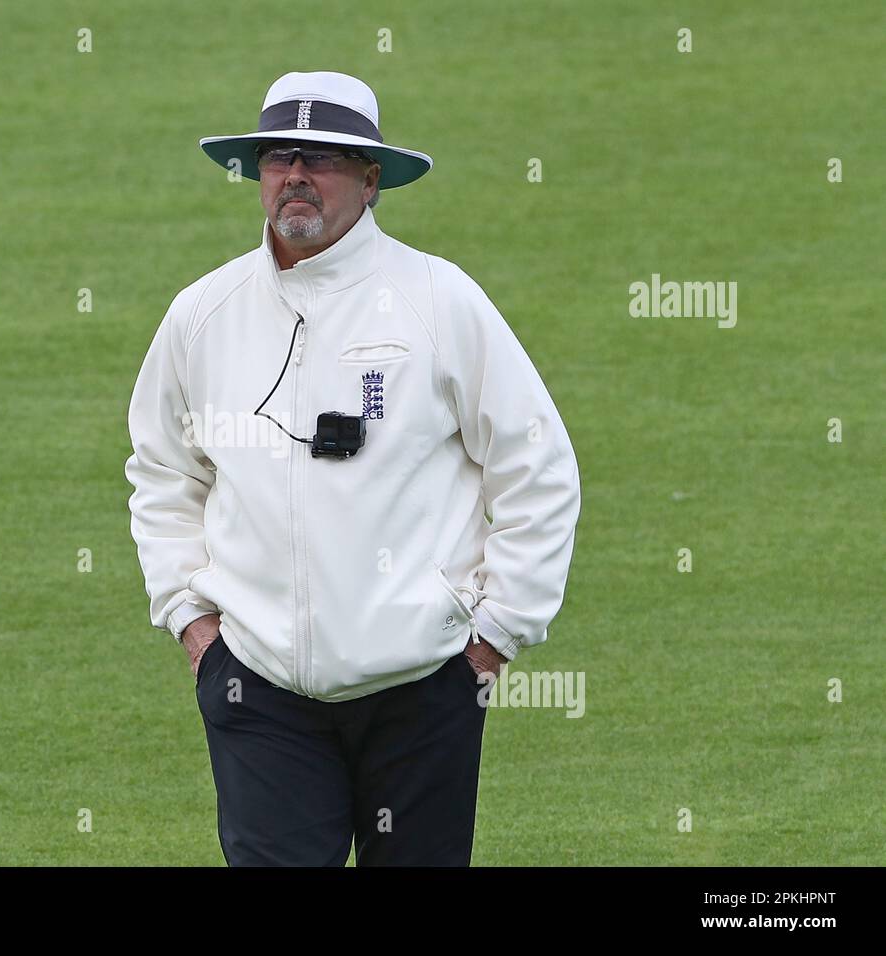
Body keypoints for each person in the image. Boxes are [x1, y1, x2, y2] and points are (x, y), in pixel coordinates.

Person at [124, 71, 582, 865]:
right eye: (278, 156)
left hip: (424, 690)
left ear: (371, 180)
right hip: (257, 691)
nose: (296, 174)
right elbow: (164, 472)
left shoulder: (441, 301)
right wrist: (195, 626)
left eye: (324, 157)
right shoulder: (202, 314)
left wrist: (496, 637)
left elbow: (537, 467)